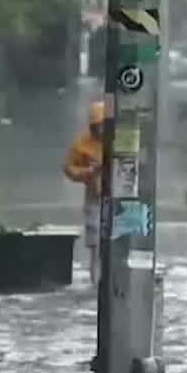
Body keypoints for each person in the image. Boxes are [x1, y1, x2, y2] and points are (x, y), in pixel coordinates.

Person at [63, 100, 106, 284]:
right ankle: (95, 282)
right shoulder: (81, 144)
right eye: (98, 126)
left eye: (105, 125)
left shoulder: (121, 139)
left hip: (118, 200)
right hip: (94, 198)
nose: (102, 130)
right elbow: (68, 168)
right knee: (95, 244)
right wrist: (87, 173)